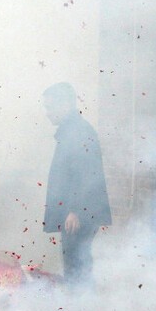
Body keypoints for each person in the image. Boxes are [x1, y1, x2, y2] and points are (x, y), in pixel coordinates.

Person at [42, 82, 111, 287]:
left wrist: (75, 210)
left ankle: (81, 309)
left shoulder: (79, 132)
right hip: (75, 213)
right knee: (76, 263)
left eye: (50, 107)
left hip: (78, 215)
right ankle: (80, 308)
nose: (47, 113)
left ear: (65, 104)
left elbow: (87, 174)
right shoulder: (71, 130)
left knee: (77, 264)